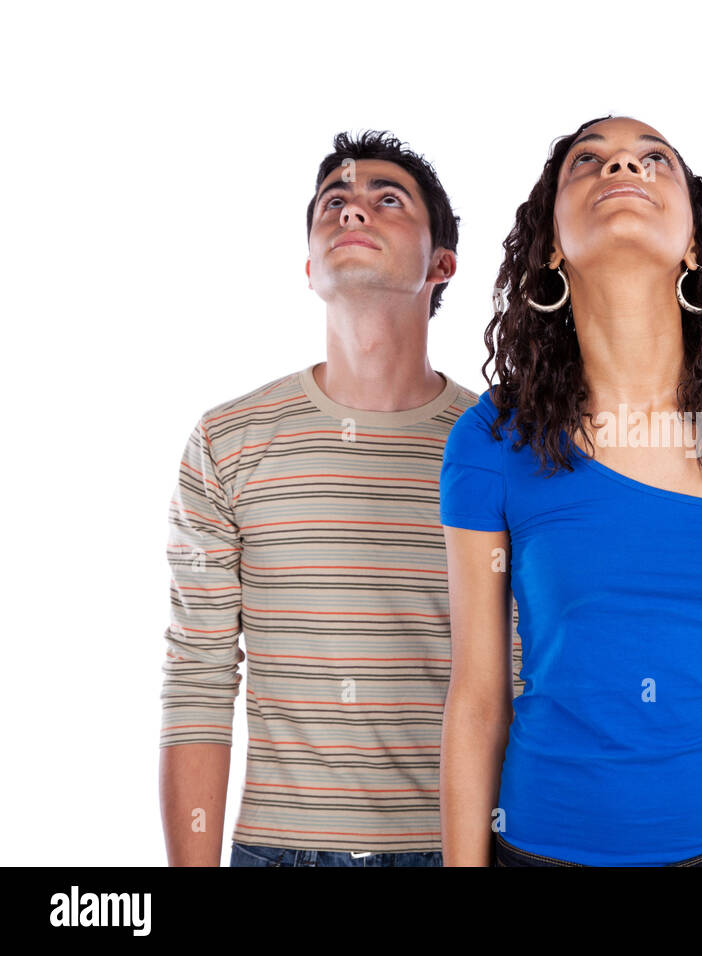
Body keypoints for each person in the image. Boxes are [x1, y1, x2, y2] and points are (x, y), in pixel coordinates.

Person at [439, 115, 702, 867]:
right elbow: (474, 697)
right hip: (543, 850)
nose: (621, 168)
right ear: (553, 246)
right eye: (589, 162)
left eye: (651, 159)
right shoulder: (491, 436)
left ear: (695, 241)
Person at [158, 130, 509, 867]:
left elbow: (524, 674)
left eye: (388, 201)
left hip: (461, 848)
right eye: (335, 202)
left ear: (441, 265)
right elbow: (198, 677)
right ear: (310, 266)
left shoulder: (501, 448)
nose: (354, 212)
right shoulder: (227, 442)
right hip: (280, 851)